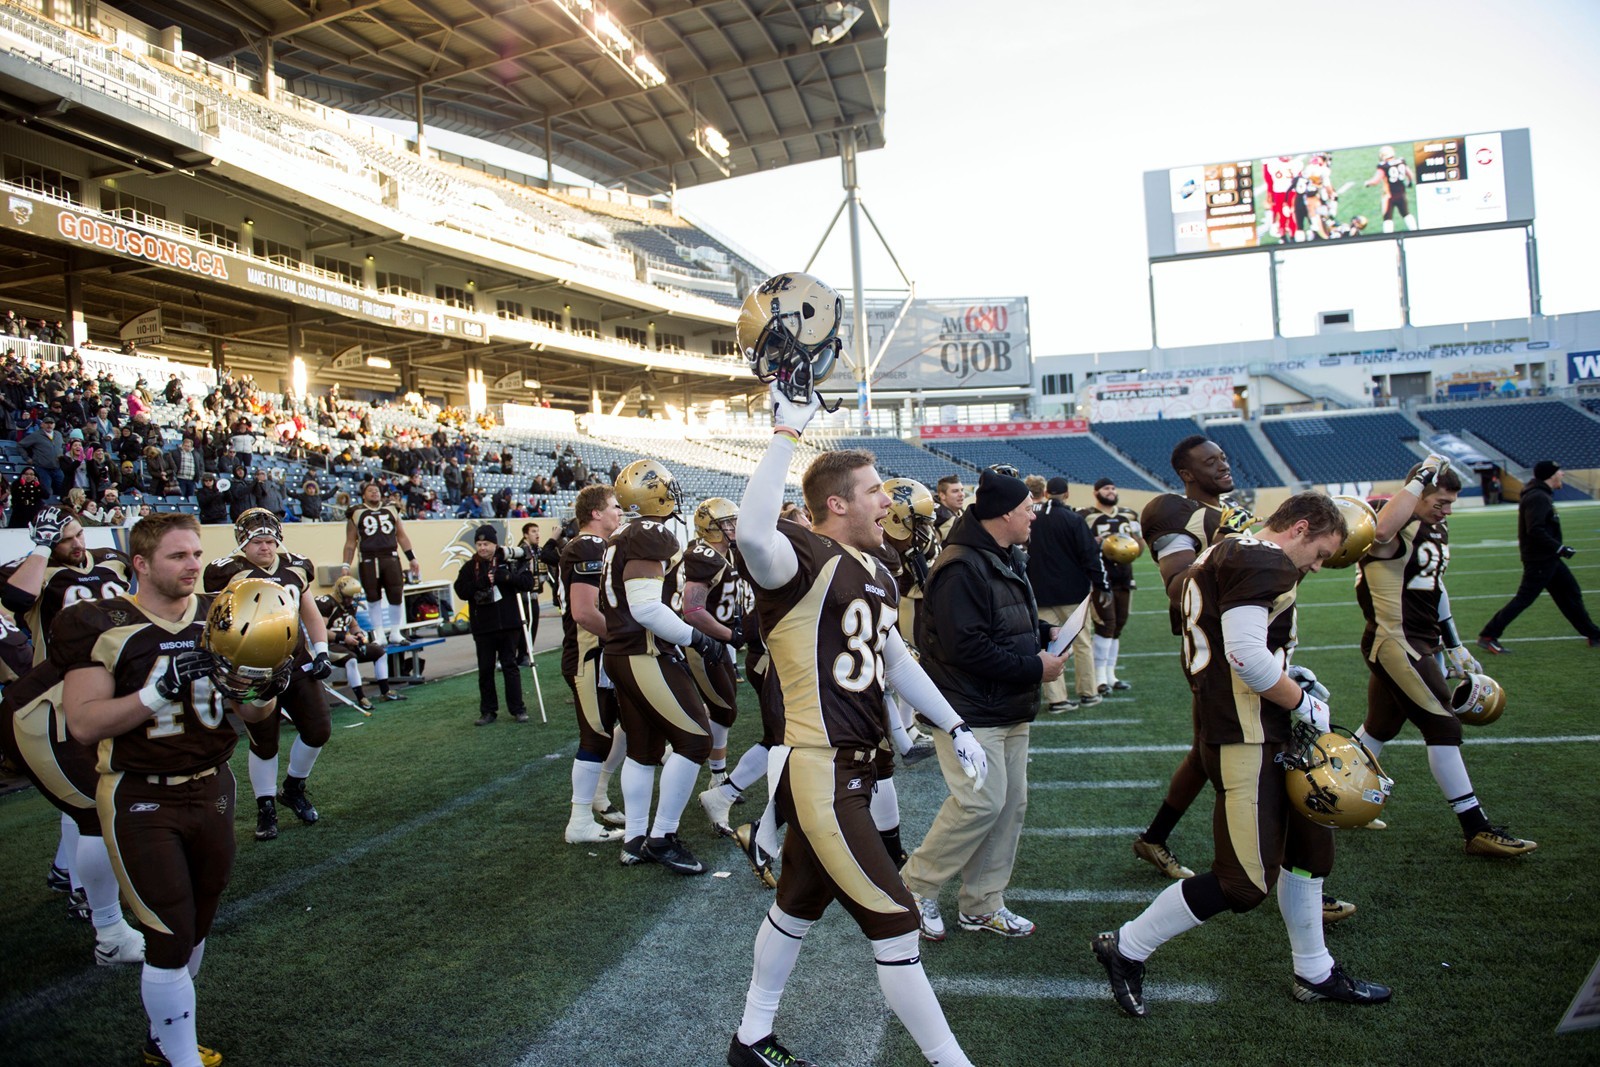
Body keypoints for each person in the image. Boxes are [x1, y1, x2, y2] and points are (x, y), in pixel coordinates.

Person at [728, 373, 988, 1067]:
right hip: (820, 763)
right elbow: (753, 531)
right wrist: (786, 430)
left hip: (853, 765)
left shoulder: (872, 565)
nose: (889, 499)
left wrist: (952, 723)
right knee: (897, 920)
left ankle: (751, 1038)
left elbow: (895, 659)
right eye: (875, 489)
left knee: (796, 905)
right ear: (836, 503)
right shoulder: (800, 555)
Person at [1091, 493, 1392, 1017]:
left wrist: (1290, 676)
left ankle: (1313, 970)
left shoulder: (1226, 551)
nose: (1319, 565)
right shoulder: (1262, 558)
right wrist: (1303, 704)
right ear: (1299, 528)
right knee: (1245, 882)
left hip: (1250, 724)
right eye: (1321, 552)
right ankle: (1127, 946)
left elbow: (1239, 644)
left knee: (1310, 854)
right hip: (1245, 735)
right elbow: (1246, 656)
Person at [59, 514, 291, 1067]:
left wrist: (266, 687)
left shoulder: (221, 614)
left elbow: (253, 714)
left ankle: (163, 1041)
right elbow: (85, 723)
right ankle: (179, 1057)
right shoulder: (102, 624)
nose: (192, 566)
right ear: (140, 563)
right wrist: (157, 692)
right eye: (177, 556)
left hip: (212, 786)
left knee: (196, 926)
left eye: (195, 554)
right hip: (142, 794)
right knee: (168, 931)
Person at [902, 467, 1067, 942]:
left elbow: (1000, 621)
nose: (1034, 515)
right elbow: (965, 647)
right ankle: (915, 885)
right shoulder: (960, 566)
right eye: (1027, 509)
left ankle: (982, 903)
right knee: (980, 803)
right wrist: (1035, 667)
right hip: (969, 710)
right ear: (1003, 515)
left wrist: (1041, 633)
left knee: (1010, 805)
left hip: (1004, 704)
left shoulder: (1002, 552)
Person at [1354, 456, 1536, 856]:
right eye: (1441, 501)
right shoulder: (1391, 525)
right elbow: (1381, 529)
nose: (1448, 510)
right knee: (1444, 727)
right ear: (1417, 492)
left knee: (1379, 727)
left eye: (1452, 502)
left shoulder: (1436, 526)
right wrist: (1420, 477)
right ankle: (1477, 829)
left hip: (1420, 639)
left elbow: (1436, 587)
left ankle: (1335, 801)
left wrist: (1453, 643)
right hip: (1396, 641)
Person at [1128, 435, 1253, 883]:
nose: (1222, 465)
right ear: (1186, 473)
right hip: (1217, 652)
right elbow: (1178, 585)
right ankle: (1244, 872)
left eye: (1223, 456)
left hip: (1246, 644)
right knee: (1240, 762)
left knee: (1206, 754)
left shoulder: (1226, 512)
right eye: (1210, 461)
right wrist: (1223, 541)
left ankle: (1154, 837)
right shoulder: (1174, 513)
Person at [601, 459, 722, 875]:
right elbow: (648, 608)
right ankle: (661, 837)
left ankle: (635, 839)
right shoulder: (649, 531)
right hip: (645, 652)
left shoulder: (622, 532)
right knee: (694, 741)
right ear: (659, 493)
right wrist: (699, 639)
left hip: (622, 652)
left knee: (642, 749)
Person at [202, 508, 335, 842]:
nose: (265, 547)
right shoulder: (227, 572)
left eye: (270, 540)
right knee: (265, 740)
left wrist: (321, 651)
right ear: (243, 544)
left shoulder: (295, 566)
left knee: (318, 729)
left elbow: (311, 613)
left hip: (294, 659)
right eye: (258, 541)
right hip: (252, 668)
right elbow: (213, 621)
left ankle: (293, 787)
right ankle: (265, 806)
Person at [558, 485, 628, 843]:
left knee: (629, 723)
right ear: (596, 513)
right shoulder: (587, 547)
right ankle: (579, 821)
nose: (620, 513)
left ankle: (598, 793)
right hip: (589, 657)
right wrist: (625, 635)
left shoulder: (599, 547)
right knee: (595, 736)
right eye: (615, 507)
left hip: (603, 654)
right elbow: (584, 612)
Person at [1477, 460, 1600, 653]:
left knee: (1570, 594)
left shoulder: (1540, 494)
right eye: (1559, 472)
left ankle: (1594, 634)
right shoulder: (1538, 497)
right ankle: (1489, 635)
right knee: (1525, 599)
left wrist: (1557, 550)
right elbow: (1535, 529)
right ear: (1550, 475)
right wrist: (1559, 548)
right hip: (1540, 560)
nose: (1563, 475)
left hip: (1547, 558)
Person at [1030, 475, 1110, 711]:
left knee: (1049, 646)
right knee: (1082, 643)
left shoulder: (1032, 519)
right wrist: (1102, 585)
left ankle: (1057, 698)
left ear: (1046, 493)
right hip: (1073, 592)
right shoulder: (1073, 519)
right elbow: (1090, 555)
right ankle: (1088, 691)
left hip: (1040, 592)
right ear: (1066, 494)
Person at [453, 524, 533, 725]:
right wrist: (479, 583)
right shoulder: (470, 567)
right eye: (479, 544)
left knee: (510, 666)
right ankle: (488, 711)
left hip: (509, 623)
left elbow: (527, 582)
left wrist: (505, 577)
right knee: (485, 670)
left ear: (495, 544)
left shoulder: (509, 561)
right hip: (483, 627)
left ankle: (518, 709)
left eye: (486, 544)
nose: (482, 548)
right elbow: (460, 590)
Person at [1080, 477, 1144, 694]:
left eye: (1113, 488)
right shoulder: (1086, 516)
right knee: (1106, 625)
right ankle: (1099, 679)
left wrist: (1134, 542)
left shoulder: (1129, 514)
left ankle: (1111, 675)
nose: (1111, 491)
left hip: (1124, 577)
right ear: (1096, 492)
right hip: (1100, 578)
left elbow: (1140, 545)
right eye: (1106, 488)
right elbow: (1079, 546)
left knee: (1118, 626)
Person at [343, 481, 421, 646]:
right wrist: (345, 565)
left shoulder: (392, 509)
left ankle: (395, 632)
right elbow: (350, 542)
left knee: (396, 594)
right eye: (370, 490)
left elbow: (401, 536)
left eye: (377, 490)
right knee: (372, 597)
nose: (374, 492)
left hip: (390, 557)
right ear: (363, 495)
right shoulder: (356, 513)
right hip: (368, 559)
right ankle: (379, 634)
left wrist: (412, 558)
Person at [316, 575, 397, 710]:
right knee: (351, 660)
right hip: (329, 646)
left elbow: (353, 624)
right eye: (349, 597)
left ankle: (385, 692)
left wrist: (358, 634)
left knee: (379, 652)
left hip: (345, 643)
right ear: (340, 593)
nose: (351, 600)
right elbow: (320, 631)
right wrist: (343, 637)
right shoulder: (327, 604)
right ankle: (361, 698)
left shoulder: (349, 605)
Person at [20, 415, 65, 499]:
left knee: (62, 491)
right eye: (47, 423)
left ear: (54, 425)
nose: (49, 425)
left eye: (51, 423)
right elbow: (20, 445)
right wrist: (27, 458)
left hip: (57, 467)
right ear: (42, 424)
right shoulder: (36, 435)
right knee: (46, 492)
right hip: (42, 468)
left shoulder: (58, 434)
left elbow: (62, 446)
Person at [932, 474, 965, 544]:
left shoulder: (963, 513)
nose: (961, 494)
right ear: (942, 495)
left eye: (962, 490)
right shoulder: (935, 516)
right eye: (955, 491)